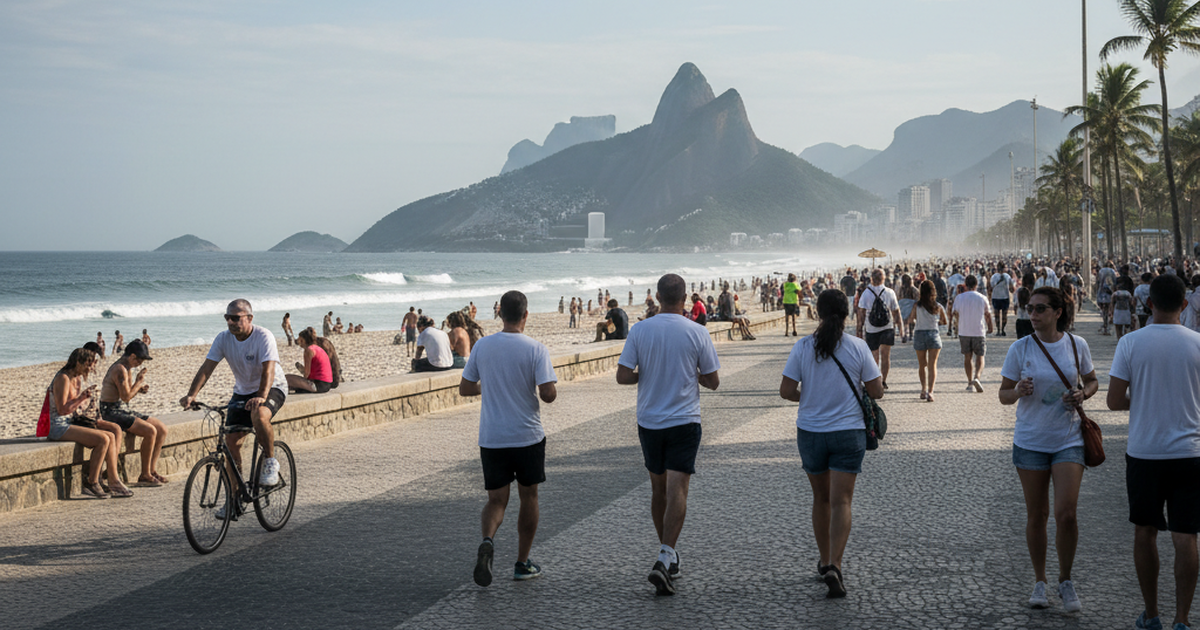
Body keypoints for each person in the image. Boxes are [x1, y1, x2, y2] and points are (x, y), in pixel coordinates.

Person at [616, 273, 720, 596]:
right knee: (679, 490)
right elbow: (713, 380)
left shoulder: (640, 330)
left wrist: (645, 376)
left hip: (649, 421)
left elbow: (622, 376)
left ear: (657, 297)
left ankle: (667, 553)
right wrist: (695, 377)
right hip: (685, 420)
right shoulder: (697, 332)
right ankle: (665, 555)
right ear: (685, 299)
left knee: (658, 490)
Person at [1107, 273, 1200, 630]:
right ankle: (1182, 619)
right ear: (1184, 304)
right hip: (1191, 452)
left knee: (1144, 532)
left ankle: (1152, 614)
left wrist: (1143, 399)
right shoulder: (1196, 343)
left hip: (1146, 452)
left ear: (1148, 303)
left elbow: (1114, 401)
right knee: (1186, 536)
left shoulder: (1131, 343)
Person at [780, 288, 883, 598]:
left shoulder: (802, 347)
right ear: (846, 314)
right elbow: (876, 391)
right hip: (848, 433)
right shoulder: (858, 347)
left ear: (818, 314)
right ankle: (836, 565)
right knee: (843, 502)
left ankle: (824, 561)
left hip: (811, 433)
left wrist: (809, 397)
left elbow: (786, 390)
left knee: (821, 499)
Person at [999, 286, 1097, 613]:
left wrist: (1083, 394)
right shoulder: (1020, 347)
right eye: (1030, 308)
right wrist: (1017, 390)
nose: (1034, 314)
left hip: (1068, 438)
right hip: (1030, 441)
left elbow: (1092, 381)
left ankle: (1065, 580)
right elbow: (1002, 394)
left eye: (1040, 309)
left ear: (1057, 312)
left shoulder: (1075, 344)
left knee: (1066, 515)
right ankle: (1040, 580)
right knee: (1037, 515)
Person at [461, 290, 558, 586]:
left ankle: (488, 541)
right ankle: (521, 563)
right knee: (529, 497)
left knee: (496, 500)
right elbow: (549, 395)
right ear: (526, 315)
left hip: (492, 437)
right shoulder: (536, 349)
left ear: (500, 313)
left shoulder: (483, 347)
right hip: (527, 436)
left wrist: (489, 387)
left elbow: (466, 388)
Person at [180, 299, 287, 490]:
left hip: (272, 386)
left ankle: (270, 461)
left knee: (260, 415)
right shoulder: (223, 338)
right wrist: (191, 395)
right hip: (243, 391)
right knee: (231, 444)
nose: (231, 322)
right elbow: (207, 368)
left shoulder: (263, 336)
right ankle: (235, 497)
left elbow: (268, 370)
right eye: (227, 318)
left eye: (236, 318)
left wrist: (262, 396)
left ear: (249, 318)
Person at [46, 348, 131, 498]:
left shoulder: (77, 377)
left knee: (112, 433)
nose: (90, 368)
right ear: (78, 362)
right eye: (88, 364)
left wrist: (88, 402)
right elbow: (62, 410)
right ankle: (92, 482)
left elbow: (75, 408)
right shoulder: (63, 378)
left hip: (73, 419)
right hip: (58, 426)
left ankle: (112, 478)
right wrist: (81, 398)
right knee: (103, 439)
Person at [99, 339, 170, 486]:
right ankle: (144, 475)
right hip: (110, 411)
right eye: (140, 361)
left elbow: (128, 393)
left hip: (123, 408)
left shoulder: (127, 368)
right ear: (132, 357)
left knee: (161, 429)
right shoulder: (120, 369)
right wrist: (139, 382)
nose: (140, 364)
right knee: (150, 431)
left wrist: (139, 389)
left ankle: (151, 469)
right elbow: (125, 397)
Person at [856, 269, 903, 389]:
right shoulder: (890, 292)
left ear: (871, 279)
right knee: (886, 356)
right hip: (887, 327)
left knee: (874, 357)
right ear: (883, 279)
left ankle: (876, 380)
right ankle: (884, 380)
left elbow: (860, 314)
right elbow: (896, 312)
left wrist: (859, 331)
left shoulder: (866, 293)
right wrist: (901, 328)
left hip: (871, 329)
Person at [906, 280, 947, 402]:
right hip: (933, 334)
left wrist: (918, 321)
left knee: (922, 365)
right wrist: (935, 321)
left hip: (919, 333)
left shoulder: (917, 306)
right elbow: (944, 321)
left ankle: (923, 389)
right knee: (932, 365)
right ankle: (931, 391)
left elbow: (910, 319)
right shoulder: (938, 306)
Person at [952, 275, 993, 392]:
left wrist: (955, 327)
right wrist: (990, 327)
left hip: (964, 330)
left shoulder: (959, 298)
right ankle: (977, 377)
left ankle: (970, 382)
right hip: (979, 330)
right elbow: (987, 315)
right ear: (976, 285)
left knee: (967, 357)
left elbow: (954, 313)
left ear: (965, 284)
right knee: (980, 356)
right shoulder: (982, 298)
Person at [286, 328, 334, 394]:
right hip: (327, 384)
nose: (299, 343)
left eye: (301, 340)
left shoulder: (309, 350)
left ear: (304, 341)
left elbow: (307, 373)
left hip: (318, 385)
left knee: (287, 378)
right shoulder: (317, 348)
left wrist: (301, 382)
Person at [990, 262, 1014, 336]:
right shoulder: (1007, 276)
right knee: (1004, 315)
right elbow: (1011, 289)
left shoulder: (993, 277)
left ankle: (998, 330)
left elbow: (991, 287)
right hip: (1004, 297)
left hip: (996, 297)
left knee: (997, 315)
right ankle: (1002, 330)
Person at [897, 274, 918, 343]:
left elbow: (898, 297)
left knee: (903, 322)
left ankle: (904, 334)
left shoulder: (901, 289)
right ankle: (911, 333)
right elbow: (918, 297)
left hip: (902, 305)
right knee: (911, 320)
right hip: (911, 306)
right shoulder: (913, 289)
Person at [1097, 261, 1117, 335]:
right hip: (1109, 293)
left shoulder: (1101, 271)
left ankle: (1105, 325)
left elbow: (1097, 281)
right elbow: (1115, 282)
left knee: (1103, 310)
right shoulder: (1112, 271)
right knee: (1109, 309)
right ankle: (1107, 326)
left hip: (1101, 293)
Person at [1015, 273, 1036, 339]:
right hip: (1032, 321)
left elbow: (1015, 305)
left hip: (1020, 320)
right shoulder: (1035, 292)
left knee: (1021, 343)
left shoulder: (1018, 290)